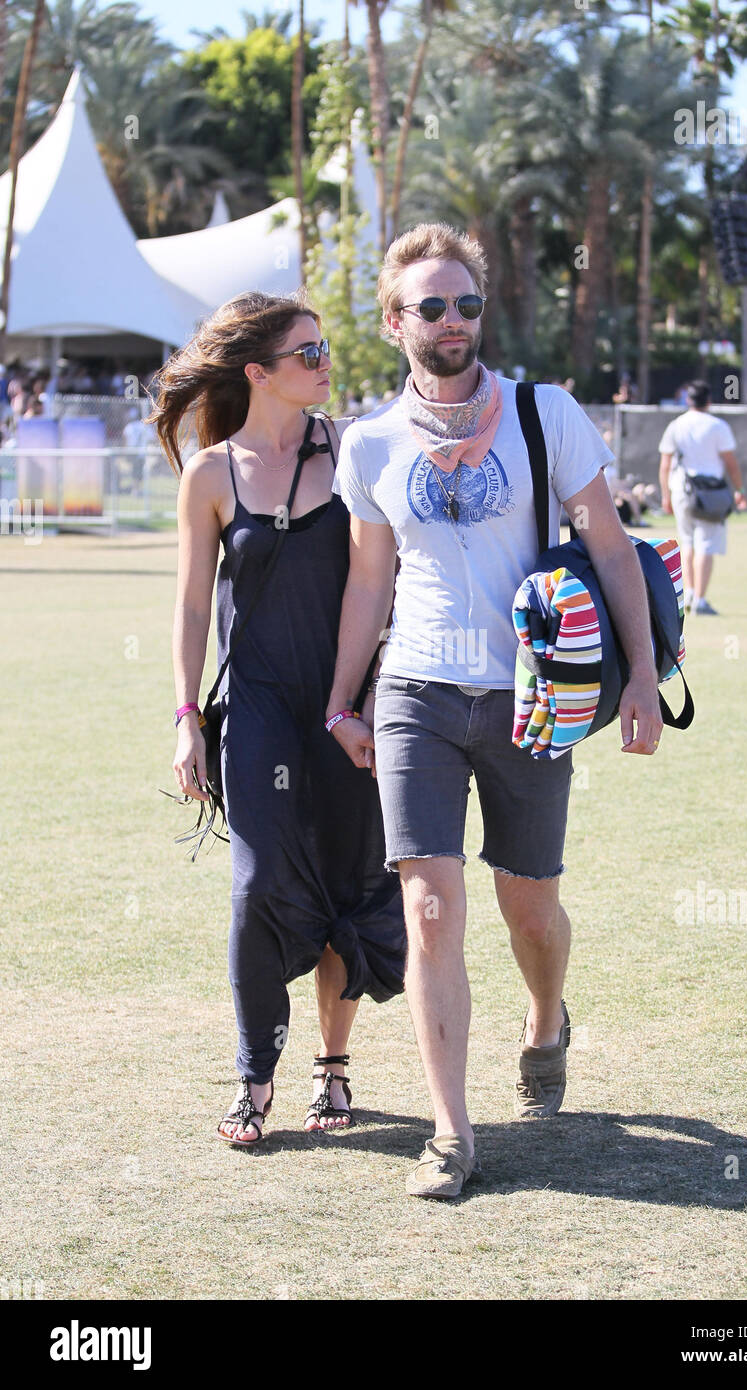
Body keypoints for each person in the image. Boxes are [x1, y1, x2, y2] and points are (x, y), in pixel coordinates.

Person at [325, 223, 663, 1198]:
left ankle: (546, 1017)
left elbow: (609, 548)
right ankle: (450, 1131)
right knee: (428, 907)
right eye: (431, 306)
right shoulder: (374, 443)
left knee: (529, 906)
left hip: (531, 697)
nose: (453, 320)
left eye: (466, 303)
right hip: (417, 696)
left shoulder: (540, 413)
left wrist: (639, 676)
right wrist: (341, 700)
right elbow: (365, 585)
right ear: (394, 322)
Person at [148, 290, 406, 1144]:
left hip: (347, 708)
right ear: (258, 373)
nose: (326, 362)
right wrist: (187, 715)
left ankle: (332, 1072)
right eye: (308, 353)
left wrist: (368, 698)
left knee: (350, 885)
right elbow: (191, 607)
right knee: (258, 886)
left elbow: (392, 583)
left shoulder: (356, 448)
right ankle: (255, 1077)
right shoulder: (212, 473)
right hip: (256, 709)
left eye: (325, 347)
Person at [658, 379, 747, 615]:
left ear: (688, 400)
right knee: (706, 544)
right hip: (710, 494)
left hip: (681, 490)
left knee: (687, 543)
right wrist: (740, 490)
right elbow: (731, 463)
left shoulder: (676, 425)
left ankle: (688, 592)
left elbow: (665, 464)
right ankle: (700, 599)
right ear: (709, 400)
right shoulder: (718, 426)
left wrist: (665, 495)